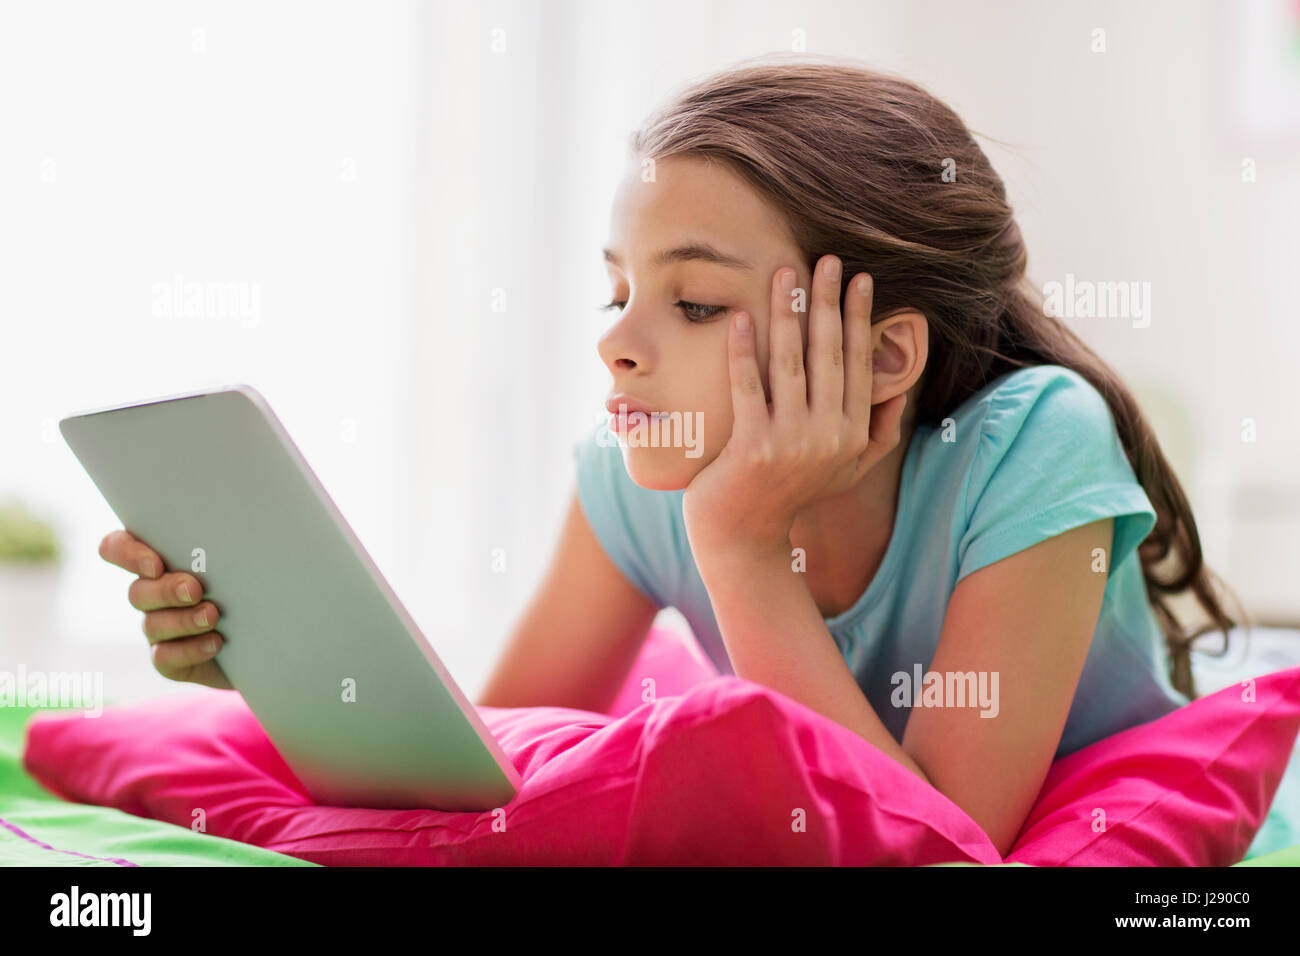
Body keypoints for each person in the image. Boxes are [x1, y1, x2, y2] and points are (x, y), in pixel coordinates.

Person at [98, 54, 1241, 857]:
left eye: (692, 302)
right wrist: (277, 665)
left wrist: (740, 545)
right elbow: (483, 769)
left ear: (886, 353)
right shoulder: (626, 476)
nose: (614, 340)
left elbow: (940, 837)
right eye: (616, 288)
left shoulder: (1030, 443)